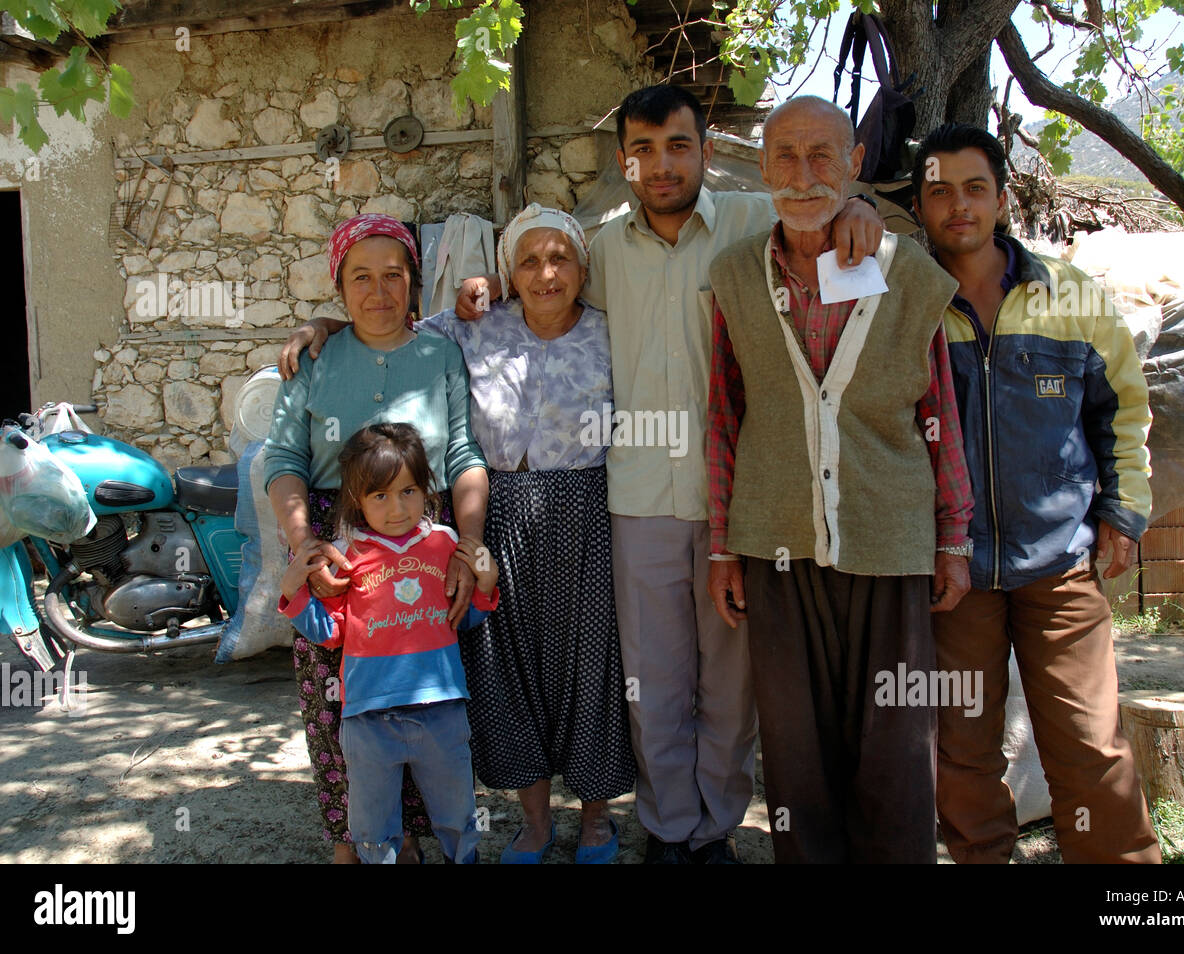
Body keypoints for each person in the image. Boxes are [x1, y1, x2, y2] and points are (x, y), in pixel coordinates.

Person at [283, 85, 885, 864]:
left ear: (704, 149)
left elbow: (815, 201)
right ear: (624, 162)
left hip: (703, 500)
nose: (662, 165)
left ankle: (708, 832)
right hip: (589, 510)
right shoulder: (566, 271)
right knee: (633, 683)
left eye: (678, 145)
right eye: (644, 150)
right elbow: (424, 314)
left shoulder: (743, 221)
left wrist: (859, 204)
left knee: (711, 688)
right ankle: (663, 829)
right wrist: (330, 323)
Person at [706, 95, 975, 864]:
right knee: (794, 748)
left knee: (896, 741)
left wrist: (954, 534)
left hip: (889, 539)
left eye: (824, 154)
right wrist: (724, 545)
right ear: (761, 169)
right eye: (785, 156)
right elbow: (724, 415)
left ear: (856, 164)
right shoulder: (733, 276)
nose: (803, 174)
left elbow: (939, 411)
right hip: (776, 541)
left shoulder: (907, 270)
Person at [913, 122, 1160, 864]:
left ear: (1001, 196)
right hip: (951, 571)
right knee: (962, 748)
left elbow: (1122, 406)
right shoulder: (905, 303)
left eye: (974, 188)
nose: (958, 205)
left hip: (1060, 563)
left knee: (1090, 742)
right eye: (939, 191)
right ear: (919, 205)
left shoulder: (1069, 295)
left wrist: (1121, 510)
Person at [265, 213, 490, 863]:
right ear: (338, 288)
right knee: (335, 692)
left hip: (426, 538)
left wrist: (468, 550)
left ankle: (419, 833)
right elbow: (284, 461)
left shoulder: (440, 354)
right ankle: (354, 836)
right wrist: (305, 548)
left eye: (394, 274)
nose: (379, 290)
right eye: (360, 276)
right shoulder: (312, 357)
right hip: (334, 537)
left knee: (425, 685)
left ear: (414, 283)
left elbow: (465, 453)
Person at [419, 203, 636, 864]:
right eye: (529, 260)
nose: (547, 272)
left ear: (582, 266)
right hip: (494, 515)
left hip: (588, 516)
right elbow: (391, 337)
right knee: (503, 669)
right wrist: (328, 323)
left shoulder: (610, 331)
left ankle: (597, 818)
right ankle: (537, 823)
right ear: (508, 272)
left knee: (594, 667)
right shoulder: (474, 328)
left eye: (560, 257)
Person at [279, 422, 500, 864]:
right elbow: (329, 633)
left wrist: (486, 585)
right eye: (380, 495)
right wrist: (294, 591)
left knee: (457, 817)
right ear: (356, 500)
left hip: (442, 712)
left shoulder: (445, 544)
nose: (397, 508)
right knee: (374, 828)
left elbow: (465, 619)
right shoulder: (346, 555)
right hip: (367, 719)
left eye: (409, 491)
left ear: (426, 490)